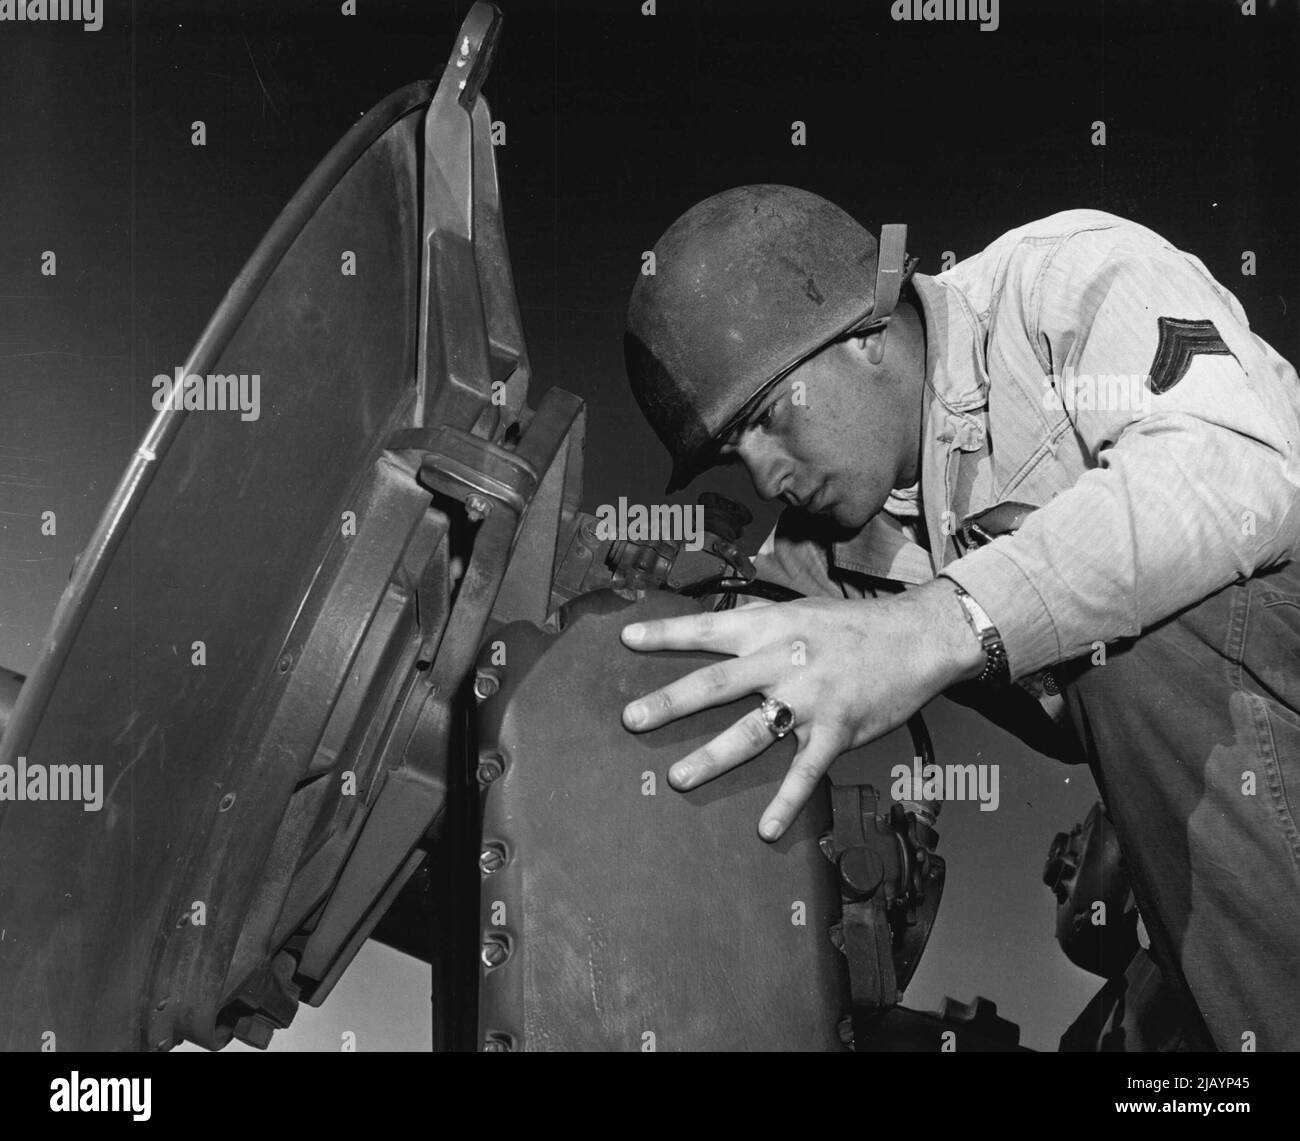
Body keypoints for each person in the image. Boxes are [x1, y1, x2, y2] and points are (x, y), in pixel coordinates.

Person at [618, 184, 1300, 1051]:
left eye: (766, 419)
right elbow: (718, 642)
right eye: (731, 454)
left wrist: (940, 624)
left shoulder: (1064, 283)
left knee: (1140, 623)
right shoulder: (833, 541)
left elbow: (1236, 472)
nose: (761, 478)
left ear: (864, 336)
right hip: (1229, 841)